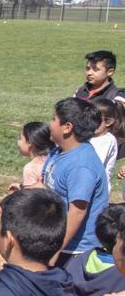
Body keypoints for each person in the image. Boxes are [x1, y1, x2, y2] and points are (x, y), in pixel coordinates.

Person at [42, 98, 110, 268]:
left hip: (75, 250)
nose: (50, 123)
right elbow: (49, 187)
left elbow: (77, 212)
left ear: (67, 127)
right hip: (56, 237)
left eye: (53, 119)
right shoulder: (59, 152)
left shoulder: (81, 166)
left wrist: (56, 249)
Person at [91, 98, 124, 189]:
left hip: (97, 191)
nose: (89, 122)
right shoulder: (91, 136)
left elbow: (94, 166)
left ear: (108, 122)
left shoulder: (106, 141)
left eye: (95, 119)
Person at [16, 121, 54, 190]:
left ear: (30, 143)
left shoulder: (30, 168)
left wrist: (20, 191)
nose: (18, 142)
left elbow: (30, 194)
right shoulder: (55, 158)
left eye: (20, 138)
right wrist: (20, 187)